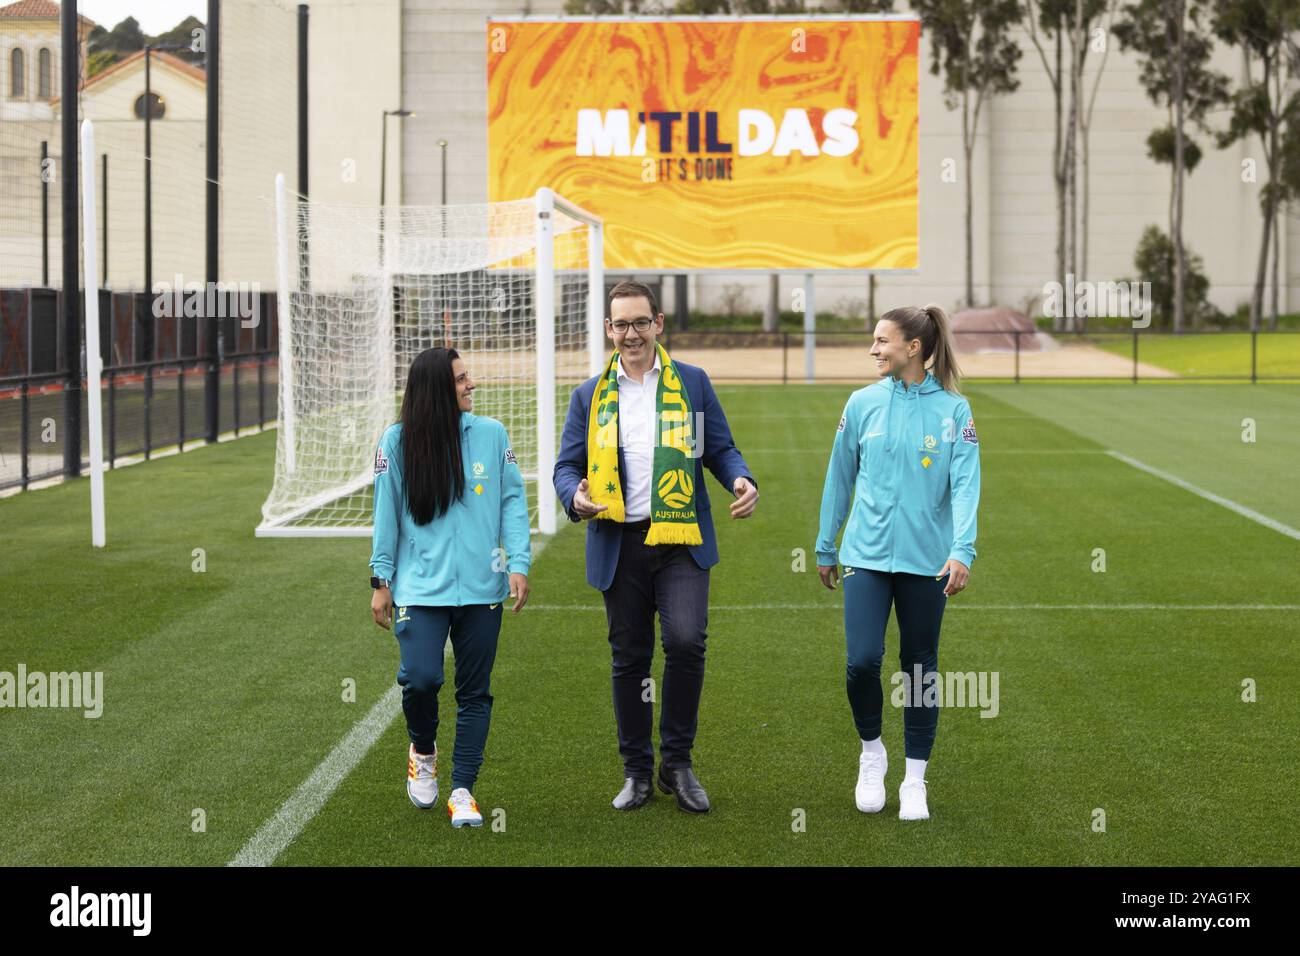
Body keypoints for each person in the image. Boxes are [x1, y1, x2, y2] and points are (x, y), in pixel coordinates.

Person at [553, 280, 758, 814]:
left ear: (658, 323)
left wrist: (740, 480)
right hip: (618, 543)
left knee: (687, 643)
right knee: (630, 659)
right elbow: (566, 467)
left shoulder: (691, 383)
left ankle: (678, 762)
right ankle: (637, 771)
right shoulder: (589, 396)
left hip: (680, 540)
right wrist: (573, 495)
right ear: (608, 330)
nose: (631, 333)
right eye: (620, 324)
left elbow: (721, 449)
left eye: (640, 322)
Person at [816, 304, 981, 822]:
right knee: (861, 660)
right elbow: (839, 476)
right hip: (864, 555)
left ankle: (914, 779)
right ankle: (871, 754)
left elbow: (966, 485)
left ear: (913, 347)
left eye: (882, 341)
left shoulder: (954, 411)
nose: (873, 349)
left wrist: (962, 550)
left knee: (919, 669)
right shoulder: (862, 403)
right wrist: (826, 544)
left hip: (926, 562)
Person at [369, 346, 531, 828]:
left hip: (484, 589)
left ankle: (462, 788)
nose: (470, 385)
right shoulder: (396, 444)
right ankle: (422, 750)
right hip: (419, 590)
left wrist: (517, 562)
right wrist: (381, 579)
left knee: (474, 691)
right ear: (437, 390)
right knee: (420, 679)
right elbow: (385, 514)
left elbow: (512, 501)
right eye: (461, 379)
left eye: (468, 377)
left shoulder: (492, 434)